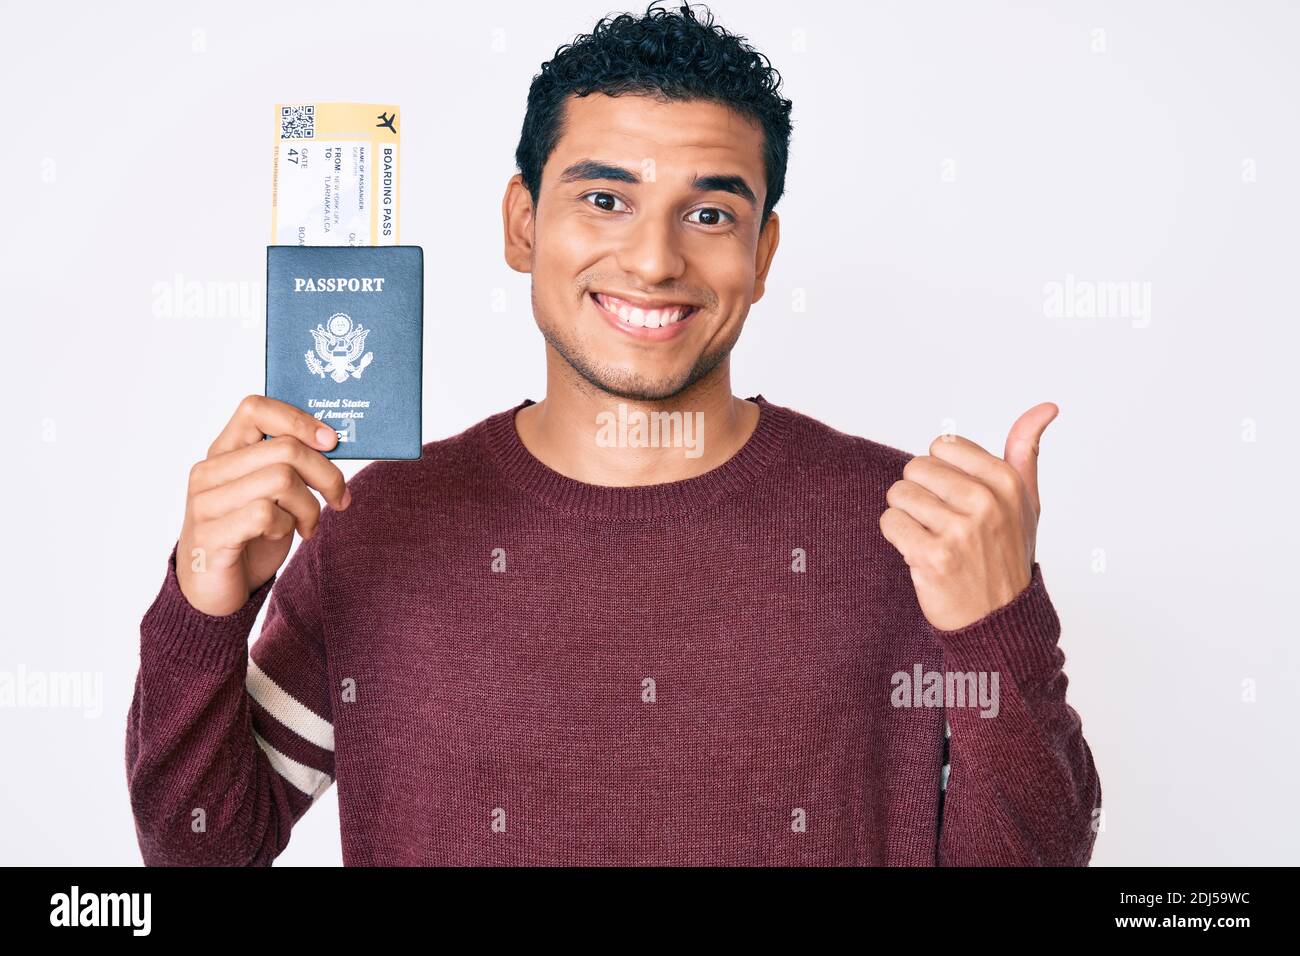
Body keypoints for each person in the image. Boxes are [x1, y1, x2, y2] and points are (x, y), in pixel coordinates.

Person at [126, 1, 1100, 866]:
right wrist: (201, 611)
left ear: (761, 255)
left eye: (709, 212)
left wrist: (998, 626)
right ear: (522, 224)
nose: (651, 256)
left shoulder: (915, 533)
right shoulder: (376, 526)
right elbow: (201, 845)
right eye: (603, 198)